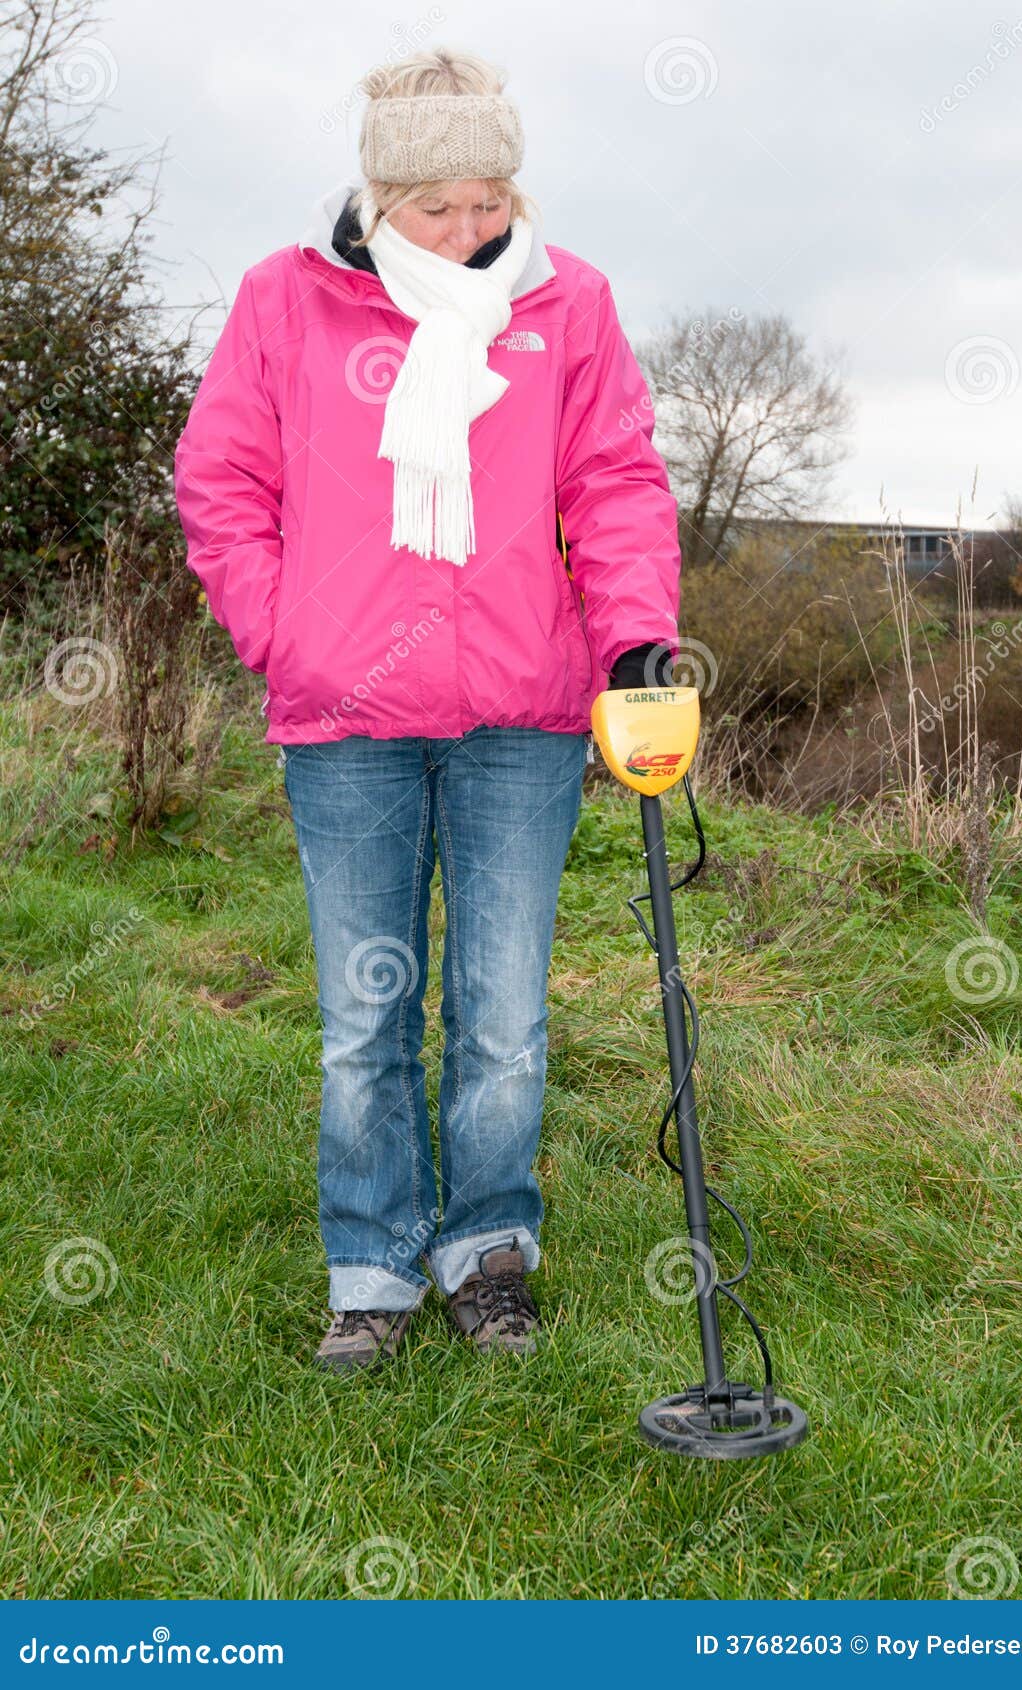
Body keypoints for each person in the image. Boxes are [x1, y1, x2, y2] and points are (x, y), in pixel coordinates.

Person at [173, 46, 682, 1373]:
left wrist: (634, 641)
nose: (471, 231)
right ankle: (374, 1263)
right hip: (346, 715)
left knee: (504, 1007)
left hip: (524, 710)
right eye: (436, 205)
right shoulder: (290, 304)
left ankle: (487, 1246)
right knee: (365, 1011)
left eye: (491, 197)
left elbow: (616, 483)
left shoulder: (568, 305)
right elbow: (221, 483)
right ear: (375, 194)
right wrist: (282, 635)